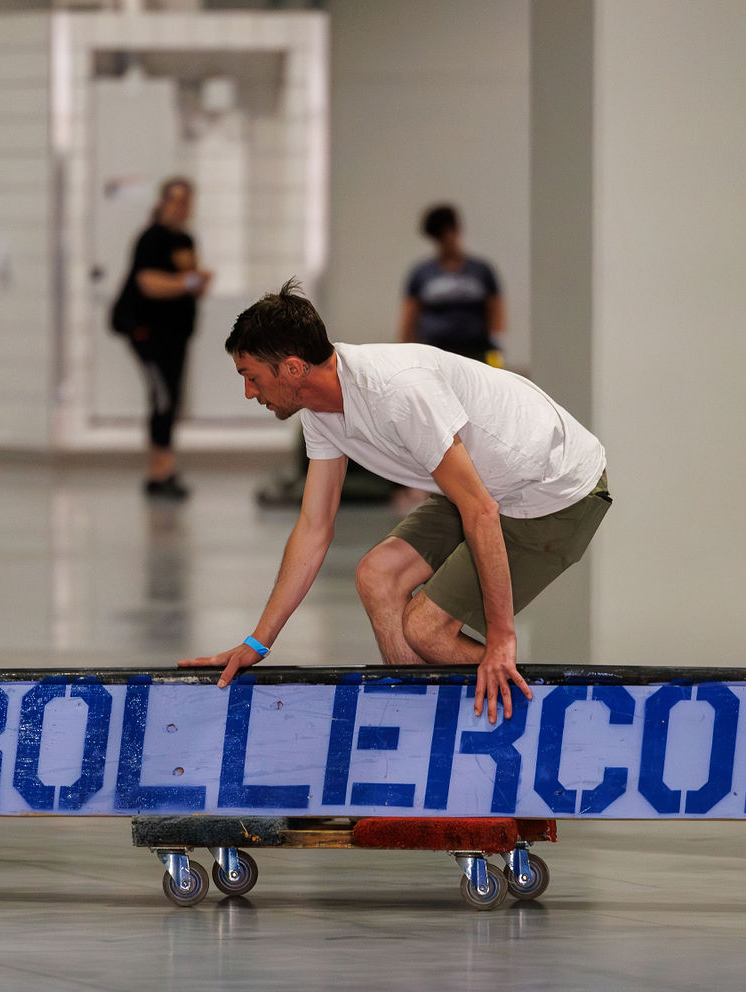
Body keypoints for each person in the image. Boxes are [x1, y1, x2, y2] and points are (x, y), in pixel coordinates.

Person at [180, 281, 611, 723]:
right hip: (486, 485)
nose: (250, 393)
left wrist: (502, 638)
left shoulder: (397, 392)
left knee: (427, 629)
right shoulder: (322, 414)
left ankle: (550, 721)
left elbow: (480, 511)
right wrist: (257, 643)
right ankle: (421, 732)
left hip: (554, 488)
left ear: (292, 368)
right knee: (377, 576)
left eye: (251, 378)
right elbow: (313, 526)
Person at [111, 177, 212, 499]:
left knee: (172, 399)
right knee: (162, 398)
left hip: (177, 335)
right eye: (178, 201)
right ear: (165, 202)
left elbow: (193, 283)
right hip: (148, 333)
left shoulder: (185, 240)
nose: (183, 209)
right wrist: (186, 283)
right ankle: (159, 471)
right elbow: (148, 283)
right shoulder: (151, 238)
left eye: (188, 202)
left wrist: (197, 282)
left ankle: (165, 469)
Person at [399, 204, 505, 364]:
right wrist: (407, 354)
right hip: (435, 353)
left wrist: (495, 342)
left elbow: (496, 309)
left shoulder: (481, 270)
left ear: (457, 230)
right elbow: (409, 316)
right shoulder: (422, 273)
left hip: (476, 352)